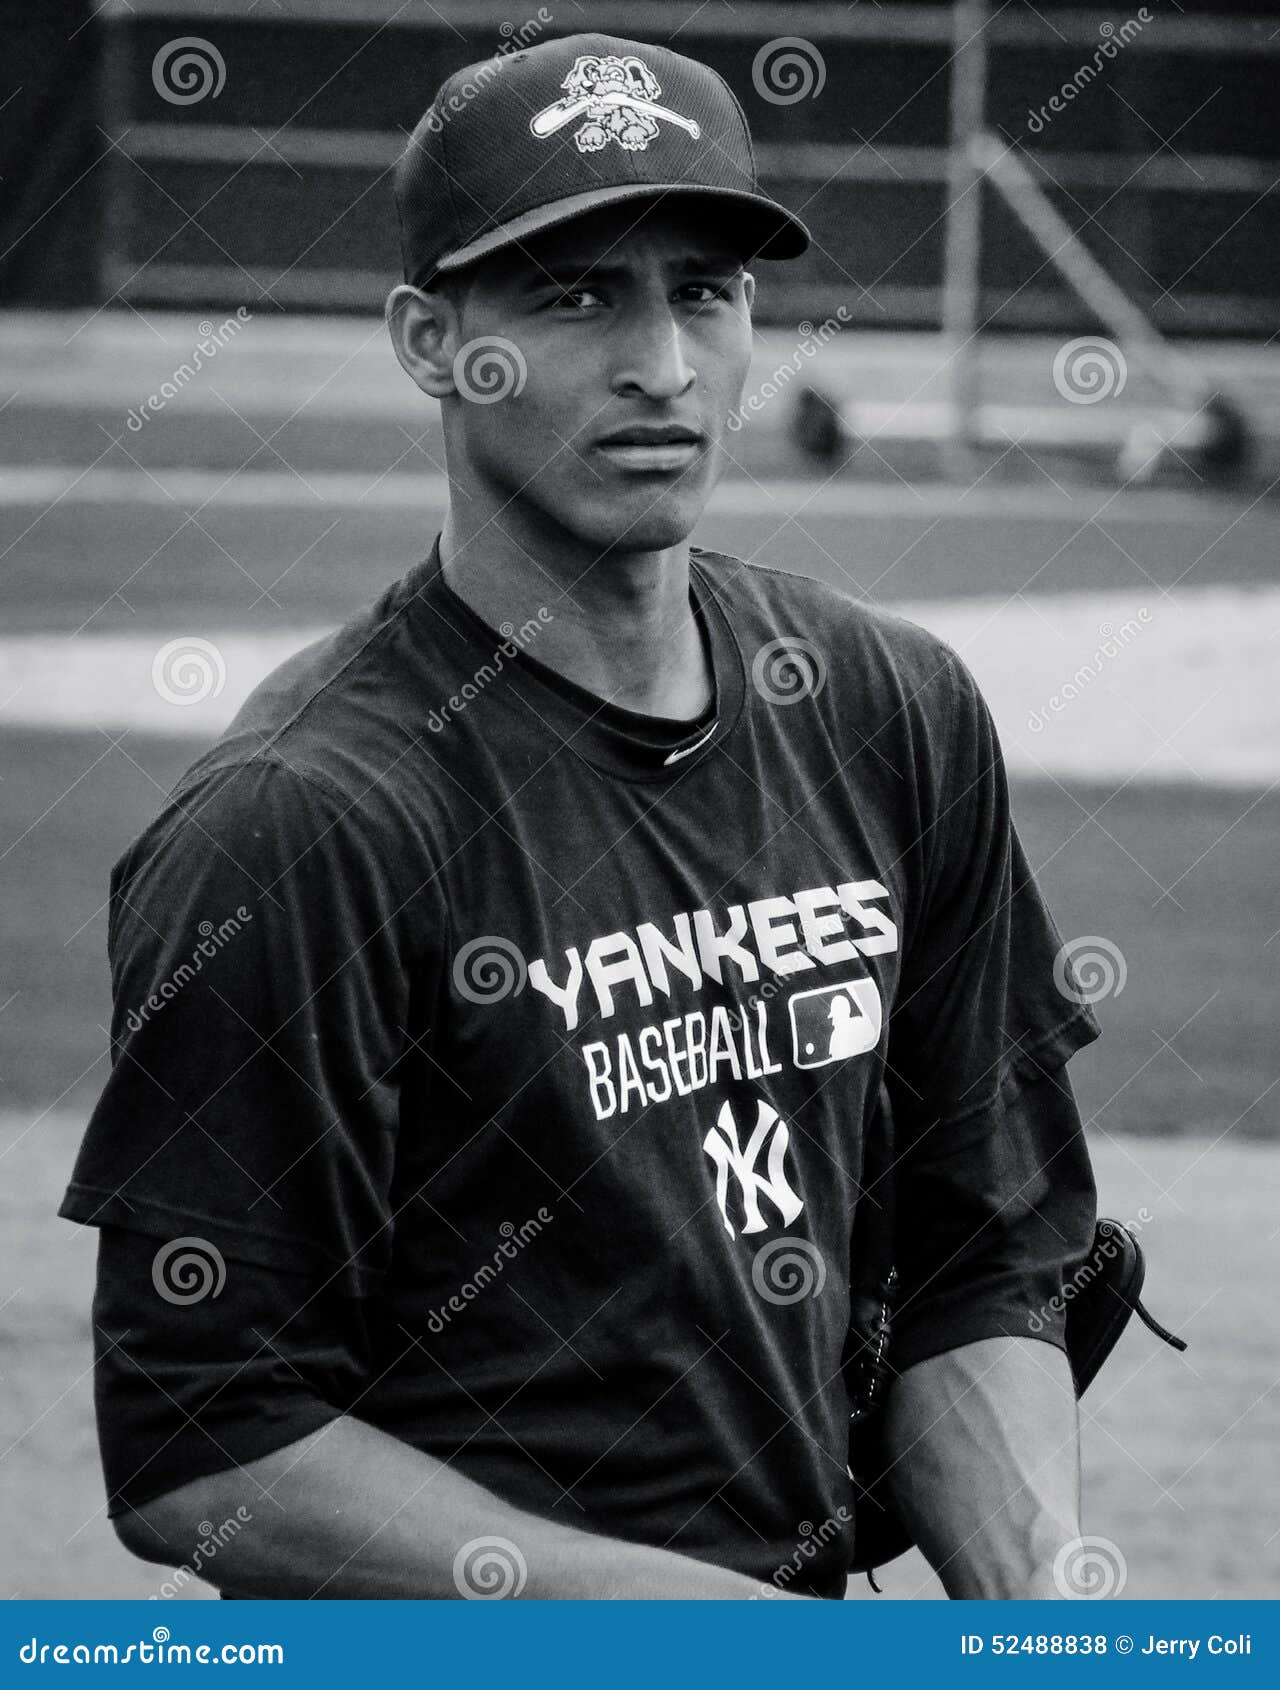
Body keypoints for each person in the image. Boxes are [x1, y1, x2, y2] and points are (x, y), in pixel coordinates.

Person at [59, 32, 1099, 1601]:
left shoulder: (892, 711)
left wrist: (1039, 1600)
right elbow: (203, 1436)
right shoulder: (304, 825)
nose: (663, 366)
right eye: (575, 294)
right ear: (428, 339)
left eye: (704, 290)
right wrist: (668, 1618)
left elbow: (981, 1252)